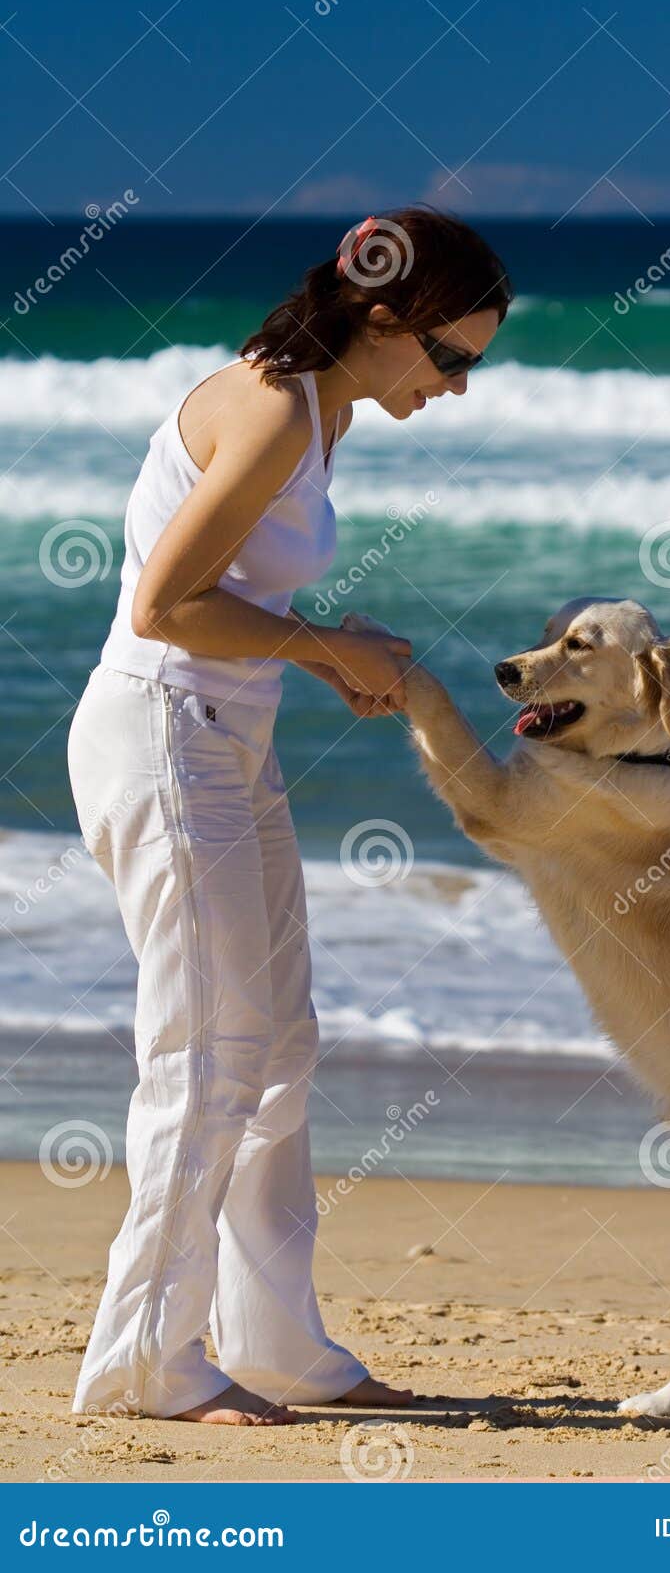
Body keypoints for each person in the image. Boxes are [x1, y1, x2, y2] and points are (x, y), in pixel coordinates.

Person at [66, 208, 512, 1425]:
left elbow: (227, 600)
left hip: (223, 737)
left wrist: (315, 660)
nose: (458, 386)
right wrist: (325, 648)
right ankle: (146, 1364)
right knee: (207, 1054)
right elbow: (164, 605)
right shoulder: (270, 407)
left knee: (279, 1046)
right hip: (161, 732)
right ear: (384, 321)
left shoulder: (329, 408)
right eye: (452, 355)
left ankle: (276, 1346)